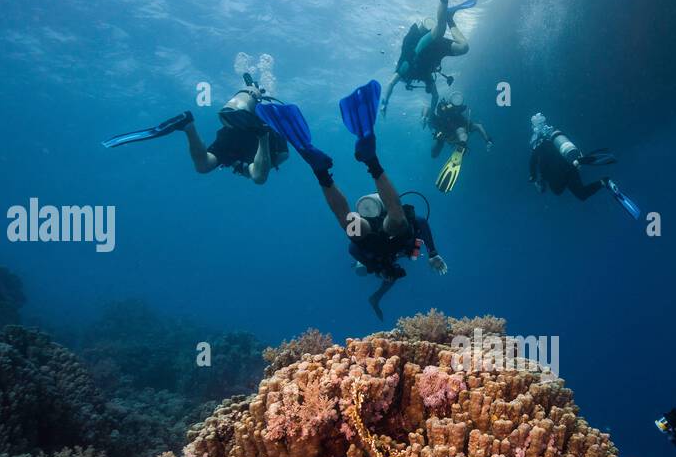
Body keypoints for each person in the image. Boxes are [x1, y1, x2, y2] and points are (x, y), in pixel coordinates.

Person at [257, 80, 447, 320]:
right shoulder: (390, 259)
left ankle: (332, 168)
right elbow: (420, 221)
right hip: (381, 228)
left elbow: (355, 250)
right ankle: (353, 163)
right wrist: (432, 253)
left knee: (362, 223)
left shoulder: (375, 262)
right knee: (385, 219)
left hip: (371, 233)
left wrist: (381, 267)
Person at [100, 75, 289, 184]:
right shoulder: (274, 147)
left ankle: (188, 126)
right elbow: (274, 161)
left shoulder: (240, 162)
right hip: (261, 134)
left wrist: (239, 165)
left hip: (234, 136)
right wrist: (265, 137)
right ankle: (252, 96)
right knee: (259, 177)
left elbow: (253, 169)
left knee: (204, 165)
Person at [381, 0, 482, 116]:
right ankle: (449, 17)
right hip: (434, 51)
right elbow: (434, 95)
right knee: (464, 47)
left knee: (439, 31)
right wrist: (433, 112)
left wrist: (385, 103)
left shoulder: (404, 69)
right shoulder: (425, 77)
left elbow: (391, 83)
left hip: (419, 45)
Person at [528, 113, 640, 219]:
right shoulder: (549, 143)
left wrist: (533, 178)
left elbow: (532, 163)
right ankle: (604, 181)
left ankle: (588, 169)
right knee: (581, 194)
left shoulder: (538, 149)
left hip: (564, 171)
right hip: (569, 166)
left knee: (560, 190)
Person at [424, 91, 491, 193]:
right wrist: (423, 117)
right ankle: (461, 146)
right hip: (445, 136)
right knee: (435, 153)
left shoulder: (459, 118)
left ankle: (461, 146)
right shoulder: (444, 112)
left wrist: (487, 140)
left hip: (450, 135)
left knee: (458, 134)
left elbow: (477, 126)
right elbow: (427, 108)